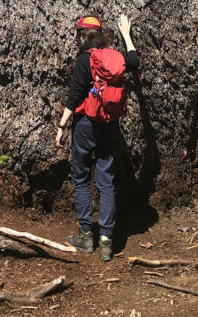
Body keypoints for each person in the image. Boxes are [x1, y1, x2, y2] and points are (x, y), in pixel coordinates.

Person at [55, 13, 139, 262]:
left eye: (78, 35)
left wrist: (61, 125)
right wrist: (126, 34)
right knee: (106, 182)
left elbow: (74, 95)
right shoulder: (114, 57)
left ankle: (85, 236)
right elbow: (133, 61)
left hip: (85, 125)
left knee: (81, 179)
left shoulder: (85, 59)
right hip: (110, 125)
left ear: (83, 36)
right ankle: (106, 241)